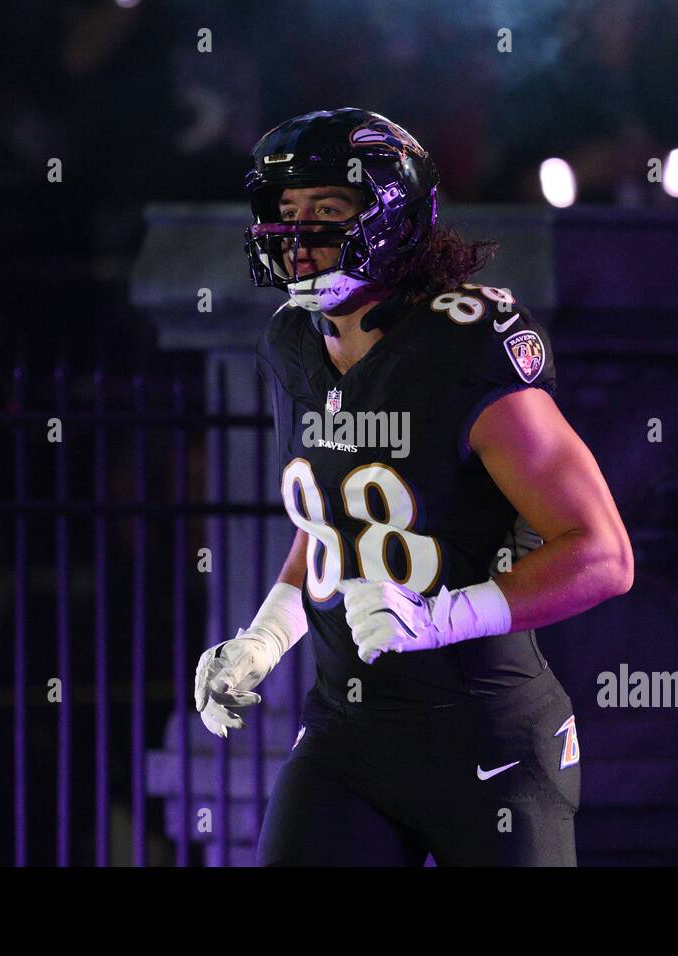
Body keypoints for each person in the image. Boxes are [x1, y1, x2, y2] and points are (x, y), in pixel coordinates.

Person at [193, 107, 633, 866]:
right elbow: (332, 524)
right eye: (286, 212)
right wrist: (265, 638)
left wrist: (443, 616)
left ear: (391, 220)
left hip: (487, 737)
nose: (297, 234)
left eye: (328, 211)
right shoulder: (291, 343)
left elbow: (603, 555)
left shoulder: (465, 344)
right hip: (347, 735)